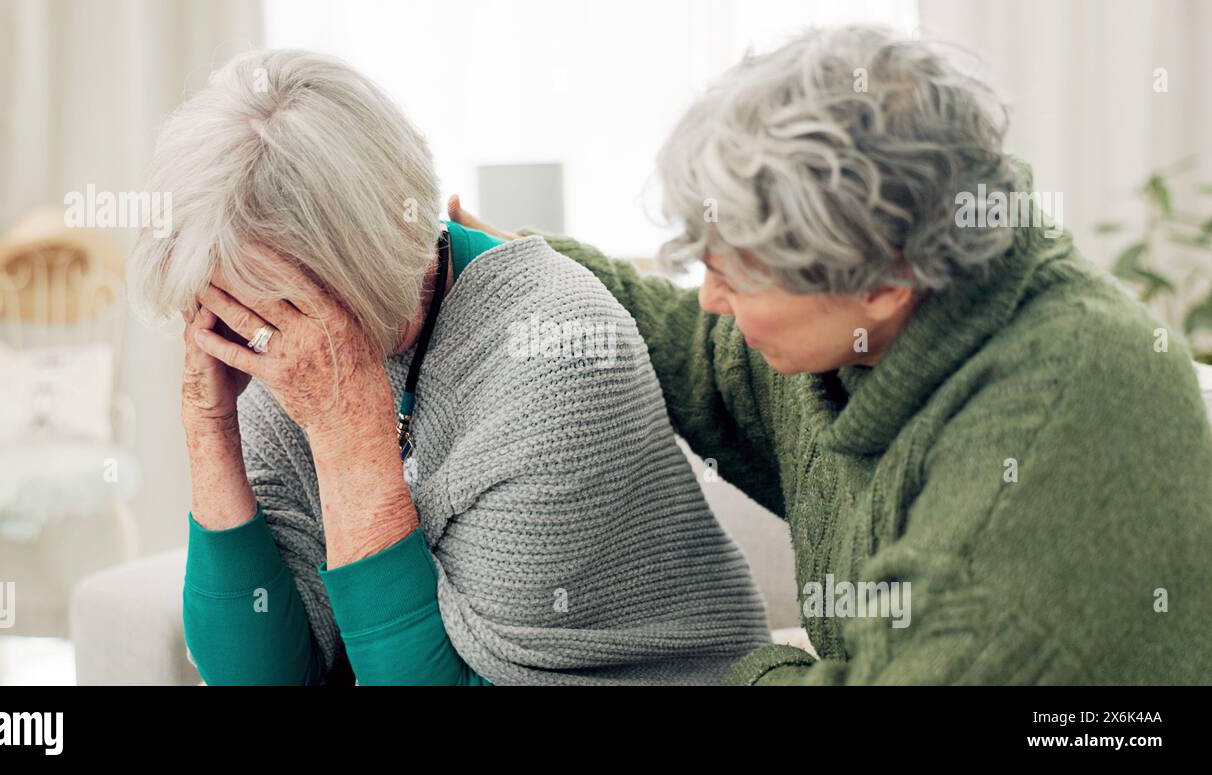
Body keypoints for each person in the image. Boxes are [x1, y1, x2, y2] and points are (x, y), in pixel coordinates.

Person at [451, 26, 1212, 684]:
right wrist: (526, 262)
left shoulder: (1062, 414)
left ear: (884, 274)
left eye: (735, 270)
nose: (712, 296)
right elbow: (701, 350)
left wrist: (730, 666)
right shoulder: (858, 333)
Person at [128, 50, 771, 685]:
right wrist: (209, 423)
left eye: (258, 303)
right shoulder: (284, 336)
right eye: (222, 305)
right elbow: (260, 677)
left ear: (351, 267)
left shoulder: (558, 354)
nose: (243, 329)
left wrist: (347, 434)